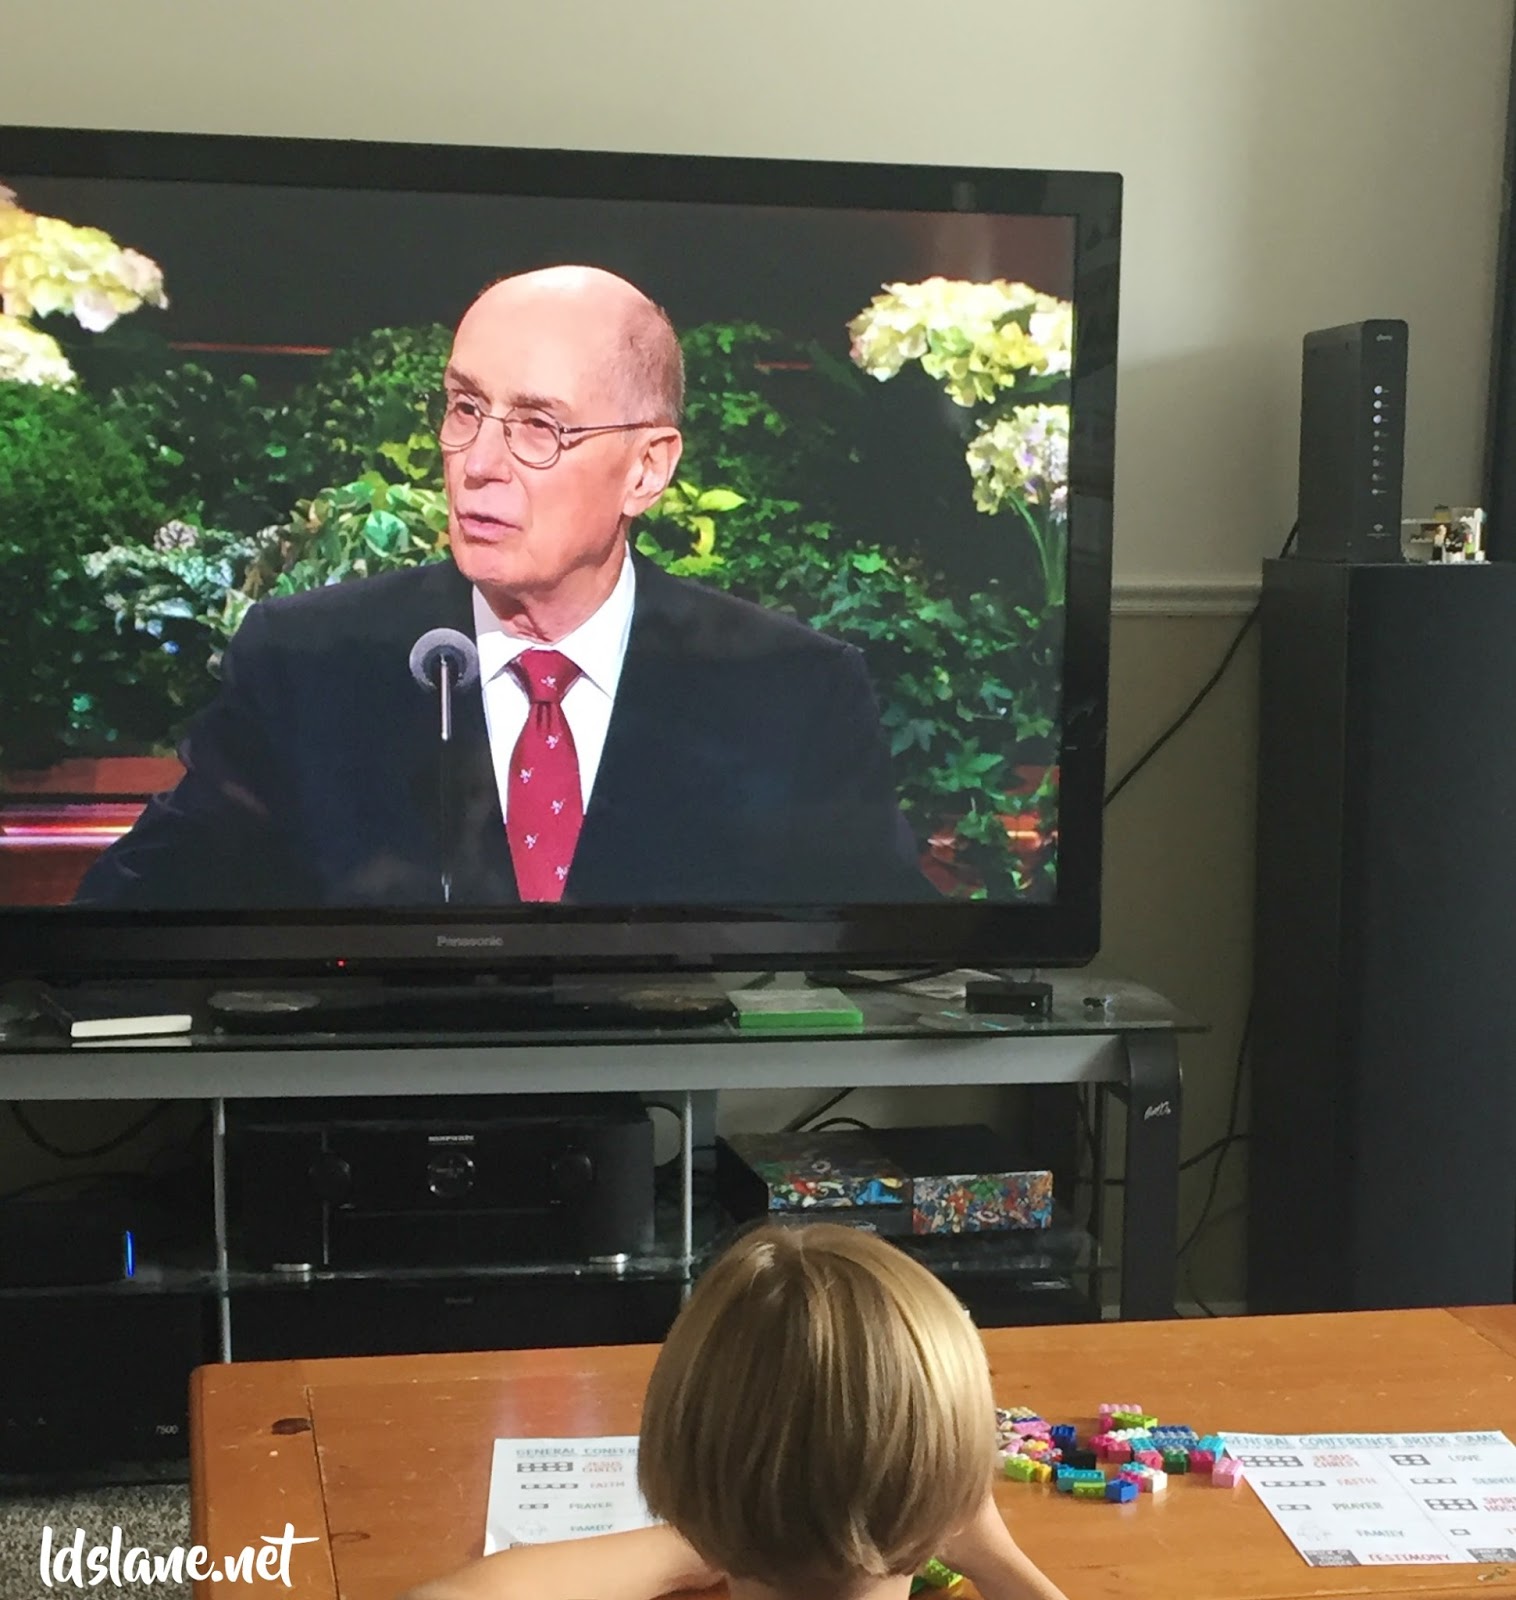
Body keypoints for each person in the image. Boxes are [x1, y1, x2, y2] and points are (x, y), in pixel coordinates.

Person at [73, 265, 937, 909]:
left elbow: (889, 964)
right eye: (464, 408)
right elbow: (122, 930)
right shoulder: (308, 664)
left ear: (647, 469)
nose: (479, 465)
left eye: (539, 426)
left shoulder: (789, 690)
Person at [399, 1222, 1069, 1600]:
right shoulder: (960, 1523)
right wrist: (996, 1558)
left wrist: (708, 1530)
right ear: (956, 1490)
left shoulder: (701, 1524)